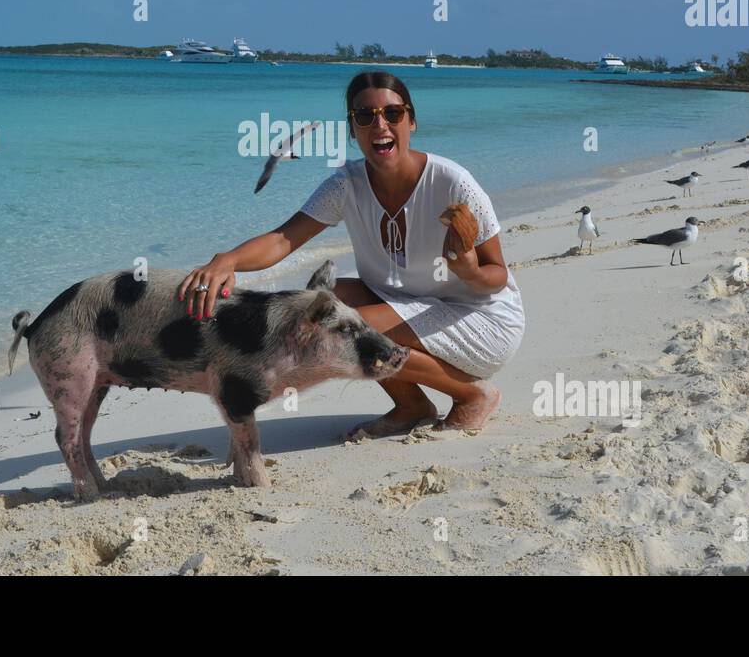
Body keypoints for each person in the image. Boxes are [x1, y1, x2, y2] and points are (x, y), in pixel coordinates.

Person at [178, 71, 525, 436]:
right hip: (414, 306)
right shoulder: (347, 183)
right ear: (352, 128)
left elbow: (496, 276)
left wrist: (469, 270)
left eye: (392, 114)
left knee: (349, 329)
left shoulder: (453, 183)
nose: (380, 124)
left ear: (412, 121)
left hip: (481, 320)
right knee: (325, 303)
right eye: (365, 116)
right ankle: (412, 405)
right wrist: (227, 260)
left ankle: (471, 395)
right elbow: (284, 239)